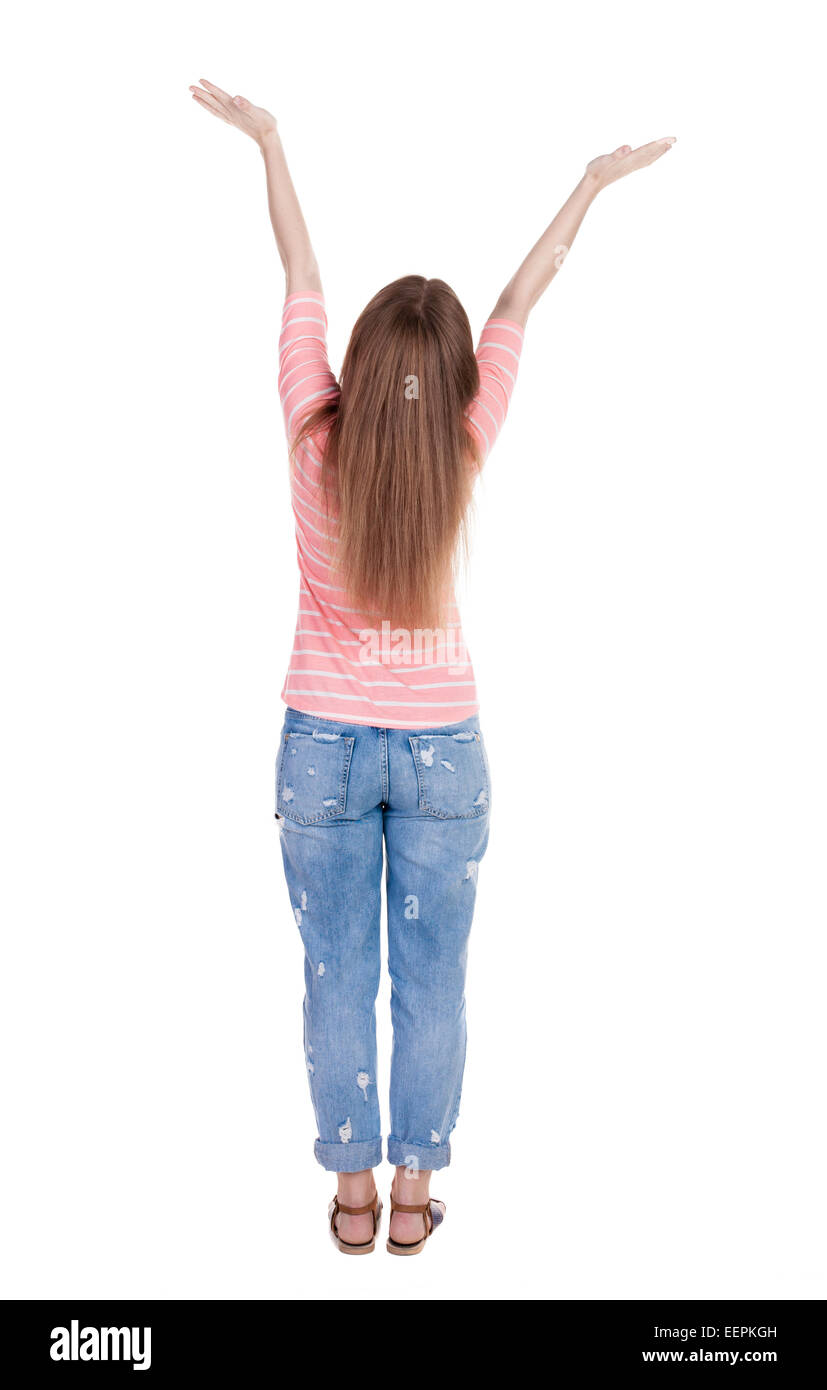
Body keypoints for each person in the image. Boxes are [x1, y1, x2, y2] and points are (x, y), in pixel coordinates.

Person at [191, 77, 675, 1255]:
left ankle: (348, 1199)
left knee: (332, 974)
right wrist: (592, 184)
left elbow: (296, 276)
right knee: (432, 981)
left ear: (357, 360)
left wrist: (270, 141)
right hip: (442, 749)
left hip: (318, 744)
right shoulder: (465, 441)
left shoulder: (313, 429)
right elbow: (524, 293)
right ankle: (413, 1195)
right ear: (459, 378)